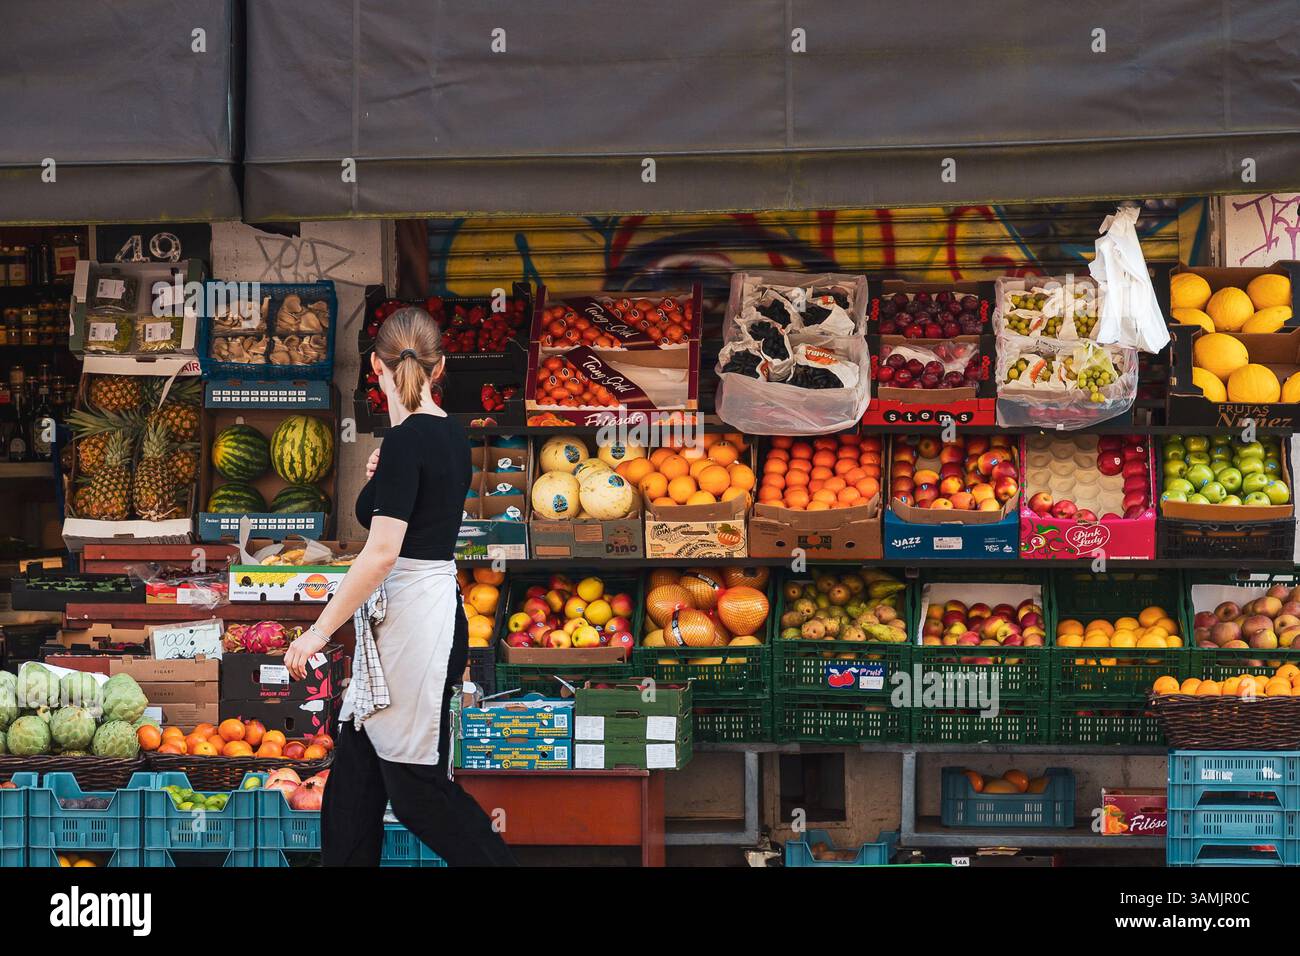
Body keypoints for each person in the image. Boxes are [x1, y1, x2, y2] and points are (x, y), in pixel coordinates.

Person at [284, 306, 515, 867]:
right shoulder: (448, 437)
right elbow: (419, 511)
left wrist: (317, 632)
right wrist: (378, 481)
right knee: (353, 788)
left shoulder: (409, 441)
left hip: (414, 625)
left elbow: (383, 553)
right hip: (414, 617)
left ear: (374, 366)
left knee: (415, 793)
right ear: (439, 368)